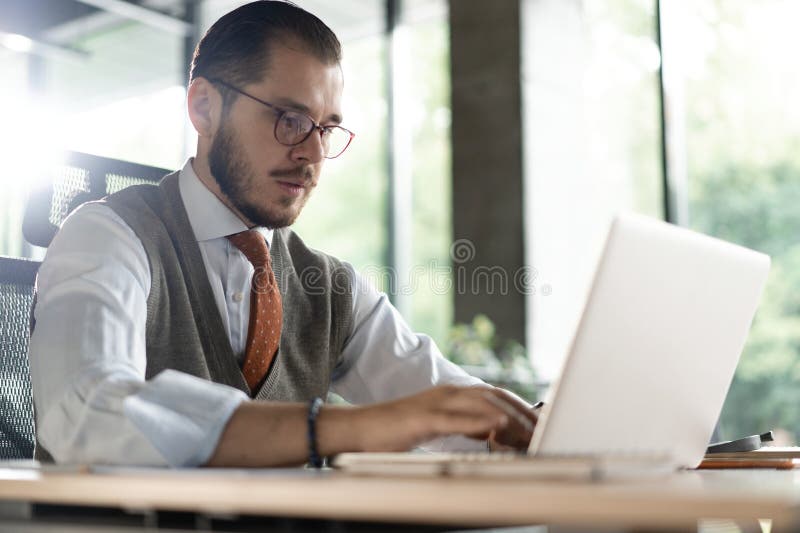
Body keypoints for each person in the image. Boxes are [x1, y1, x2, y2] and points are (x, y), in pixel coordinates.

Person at [28, 0, 537, 468]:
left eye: (327, 128)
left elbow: (452, 407)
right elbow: (86, 409)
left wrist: (533, 426)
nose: (313, 154)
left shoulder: (330, 287)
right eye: (291, 119)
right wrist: (337, 428)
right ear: (204, 108)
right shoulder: (108, 236)